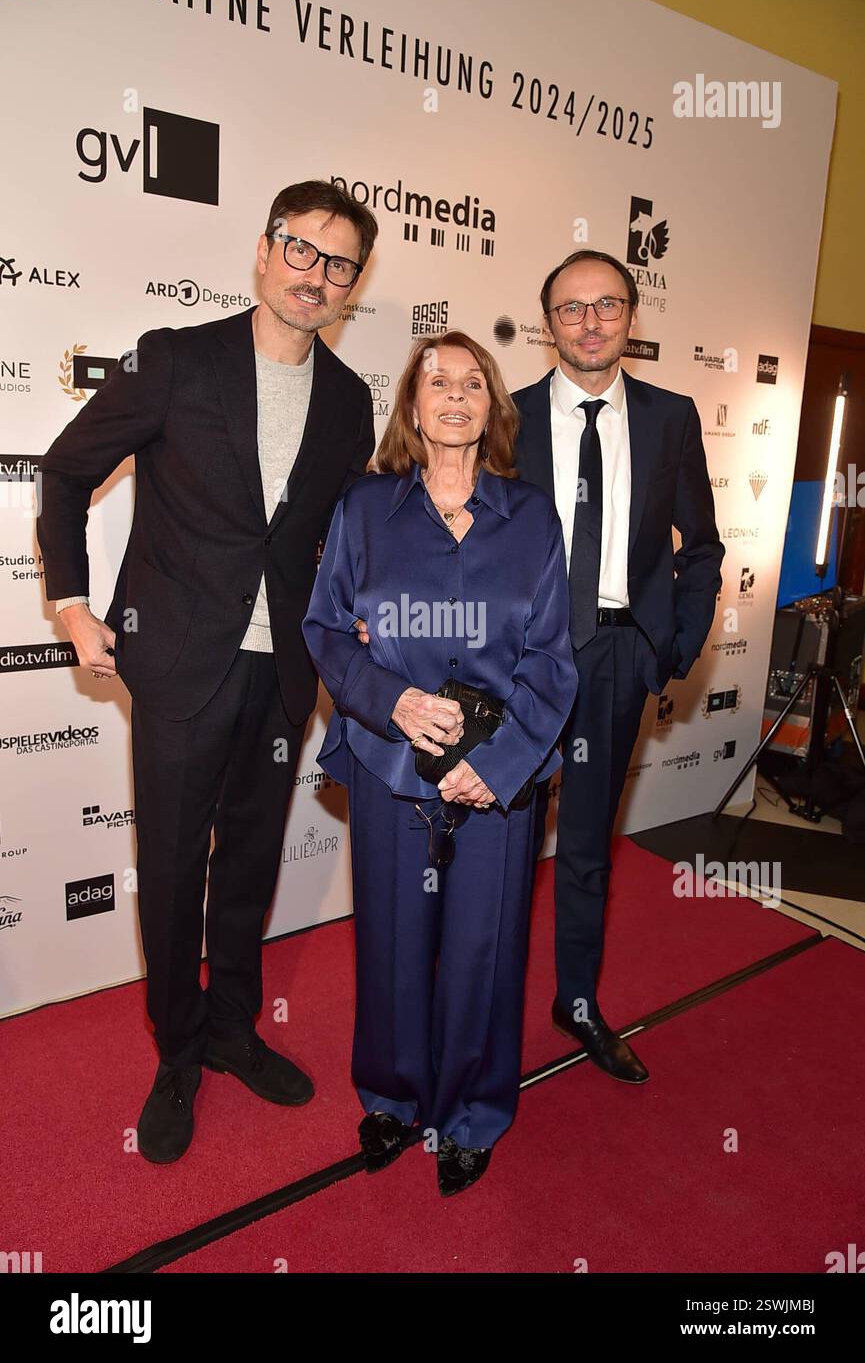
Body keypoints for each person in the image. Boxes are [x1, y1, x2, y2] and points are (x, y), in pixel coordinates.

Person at [36, 180, 378, 1163]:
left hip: (284, 675)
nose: (316, 274)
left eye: (339, 263)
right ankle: (176, 1052)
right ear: (264, 253)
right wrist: (69, 602)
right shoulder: (177, 359)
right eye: (300, 250)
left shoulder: (352, 402)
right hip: (182, 664)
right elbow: (63, 473)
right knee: (178, 866)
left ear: (354, 285)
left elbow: (335, 543)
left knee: (252, 864)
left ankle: (232, 1025)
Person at [302, 331, 576, 1196]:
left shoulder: (530, 515)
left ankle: (471, 1111)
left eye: (472, 383)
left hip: (499, 776)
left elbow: (551, 656)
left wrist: (497, 763)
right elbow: (323, 631)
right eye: (435, 383)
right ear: (412, 408)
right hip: (390, 766)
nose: (454, 397)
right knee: (390, 939)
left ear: (494, 407)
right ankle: (392, 1095)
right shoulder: (363, 510)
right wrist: (393, 701)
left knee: (481, 950)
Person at [513, 249, 724, 1082]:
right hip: (522, 662)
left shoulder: (671, 417)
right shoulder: (509, 416)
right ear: (547, 324)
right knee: (502, 849)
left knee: (589, 848)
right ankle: (488, 1011)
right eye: (571, 308)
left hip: (613, 658)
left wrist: (670, 641)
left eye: (607, 305)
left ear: (632, 317)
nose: (590, 322)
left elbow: (700, 546)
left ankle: (577, 1005)